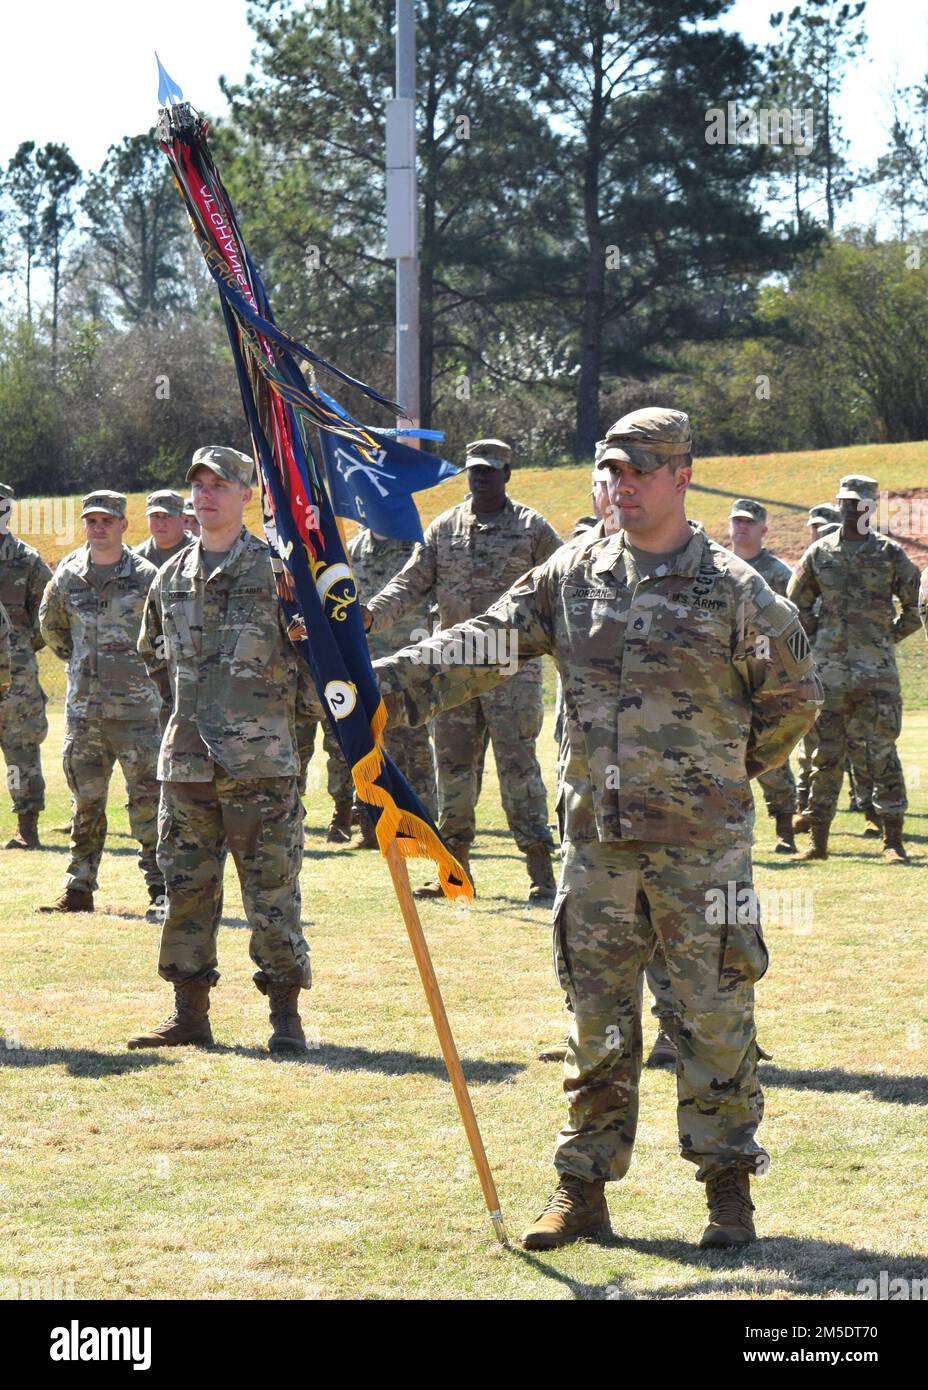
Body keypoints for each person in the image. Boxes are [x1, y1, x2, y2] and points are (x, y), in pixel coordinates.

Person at [373, 407, 821, 1250]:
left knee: (715, 1014)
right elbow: (485, 645)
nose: (622, 484)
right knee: (595, 1019)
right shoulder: (570, 574)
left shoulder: (733, 586)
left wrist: (722, 775)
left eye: (641, 470)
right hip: (598, 848)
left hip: (702, 854)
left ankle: (728, 1194)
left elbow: (797, 694)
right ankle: (583, 1190)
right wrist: (379, 685)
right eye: (612, 470)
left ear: (683, 475)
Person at [128, 446, 315, 1055]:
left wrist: (266, 721)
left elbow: (315, 669)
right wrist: (193, 714)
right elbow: (154, 654)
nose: (205, 495)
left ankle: (284, 1017)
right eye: (198, 486)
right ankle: (189, 1014)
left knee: (271, 891)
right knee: (187, 890)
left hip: (260, 766)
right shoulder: (169, 576)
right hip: (185, 764)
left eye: (220, 484)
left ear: (247, 495)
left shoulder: (280, 573)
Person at [362, 437, 562, 901]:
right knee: (452, 768)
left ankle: (541, 874)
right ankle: (455, 873)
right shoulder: (445, 527)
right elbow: (411, 583)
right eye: (475, 470)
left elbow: (562, 582)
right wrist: (371, 614)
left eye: (491, 470)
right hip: (450, 670)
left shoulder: (532, 528)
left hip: (512, 668)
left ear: (507, 474)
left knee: (518, 769)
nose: (482, 477)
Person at [38, 492, 165, 916]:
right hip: (85, 715)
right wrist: (80, 664)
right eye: (91, 521)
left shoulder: (147, 576)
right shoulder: (68, 575)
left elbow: (167, 634)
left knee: (148, 804)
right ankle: (79, 890)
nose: (99, 527)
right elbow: (51, 626)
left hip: (138, 715)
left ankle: (160, 890)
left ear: (124, 525)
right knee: (85, 805)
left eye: (107, 520)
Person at [788, 474, 922, 863]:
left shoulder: (889, 554)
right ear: (839, 504)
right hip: (829, 676)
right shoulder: (819, 553)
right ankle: (818, 843)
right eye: (847, 502)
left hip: (877, 677)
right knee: (824, 758)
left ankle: (893, 842)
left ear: (871, 507)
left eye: (861, 503)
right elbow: (795, 604)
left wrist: (886, 639)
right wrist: (822, 639)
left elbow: (917, 606)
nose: (853, 509)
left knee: (881, 754)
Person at [348, 526, 436, 848]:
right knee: (366, 747)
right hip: (365, 665)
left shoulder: (416, 547)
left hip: (408, 667)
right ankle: (371, 827)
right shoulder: (349, 550)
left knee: (414, 751)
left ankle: (422, 825)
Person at [727, 499, 799, 854]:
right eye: (737, 521)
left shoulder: (778, 573)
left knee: (770, 751)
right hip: (723, 673)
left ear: (763, 530)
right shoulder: (716, 568)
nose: (742, 527)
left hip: (764, 675)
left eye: (749, 523)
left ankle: (785, 828)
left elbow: (795, 625)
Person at [0, 482, 52, 849]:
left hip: (16, 678)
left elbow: (47, 620)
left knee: (20, 752)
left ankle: (27, 828)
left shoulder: (27, 560)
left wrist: (17, 649)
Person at [134, 491, 191, 568]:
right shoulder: (136, 559)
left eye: (168, 516)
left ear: (183, 518)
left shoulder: (200, 553)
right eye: (155, 516)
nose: (160, 523)